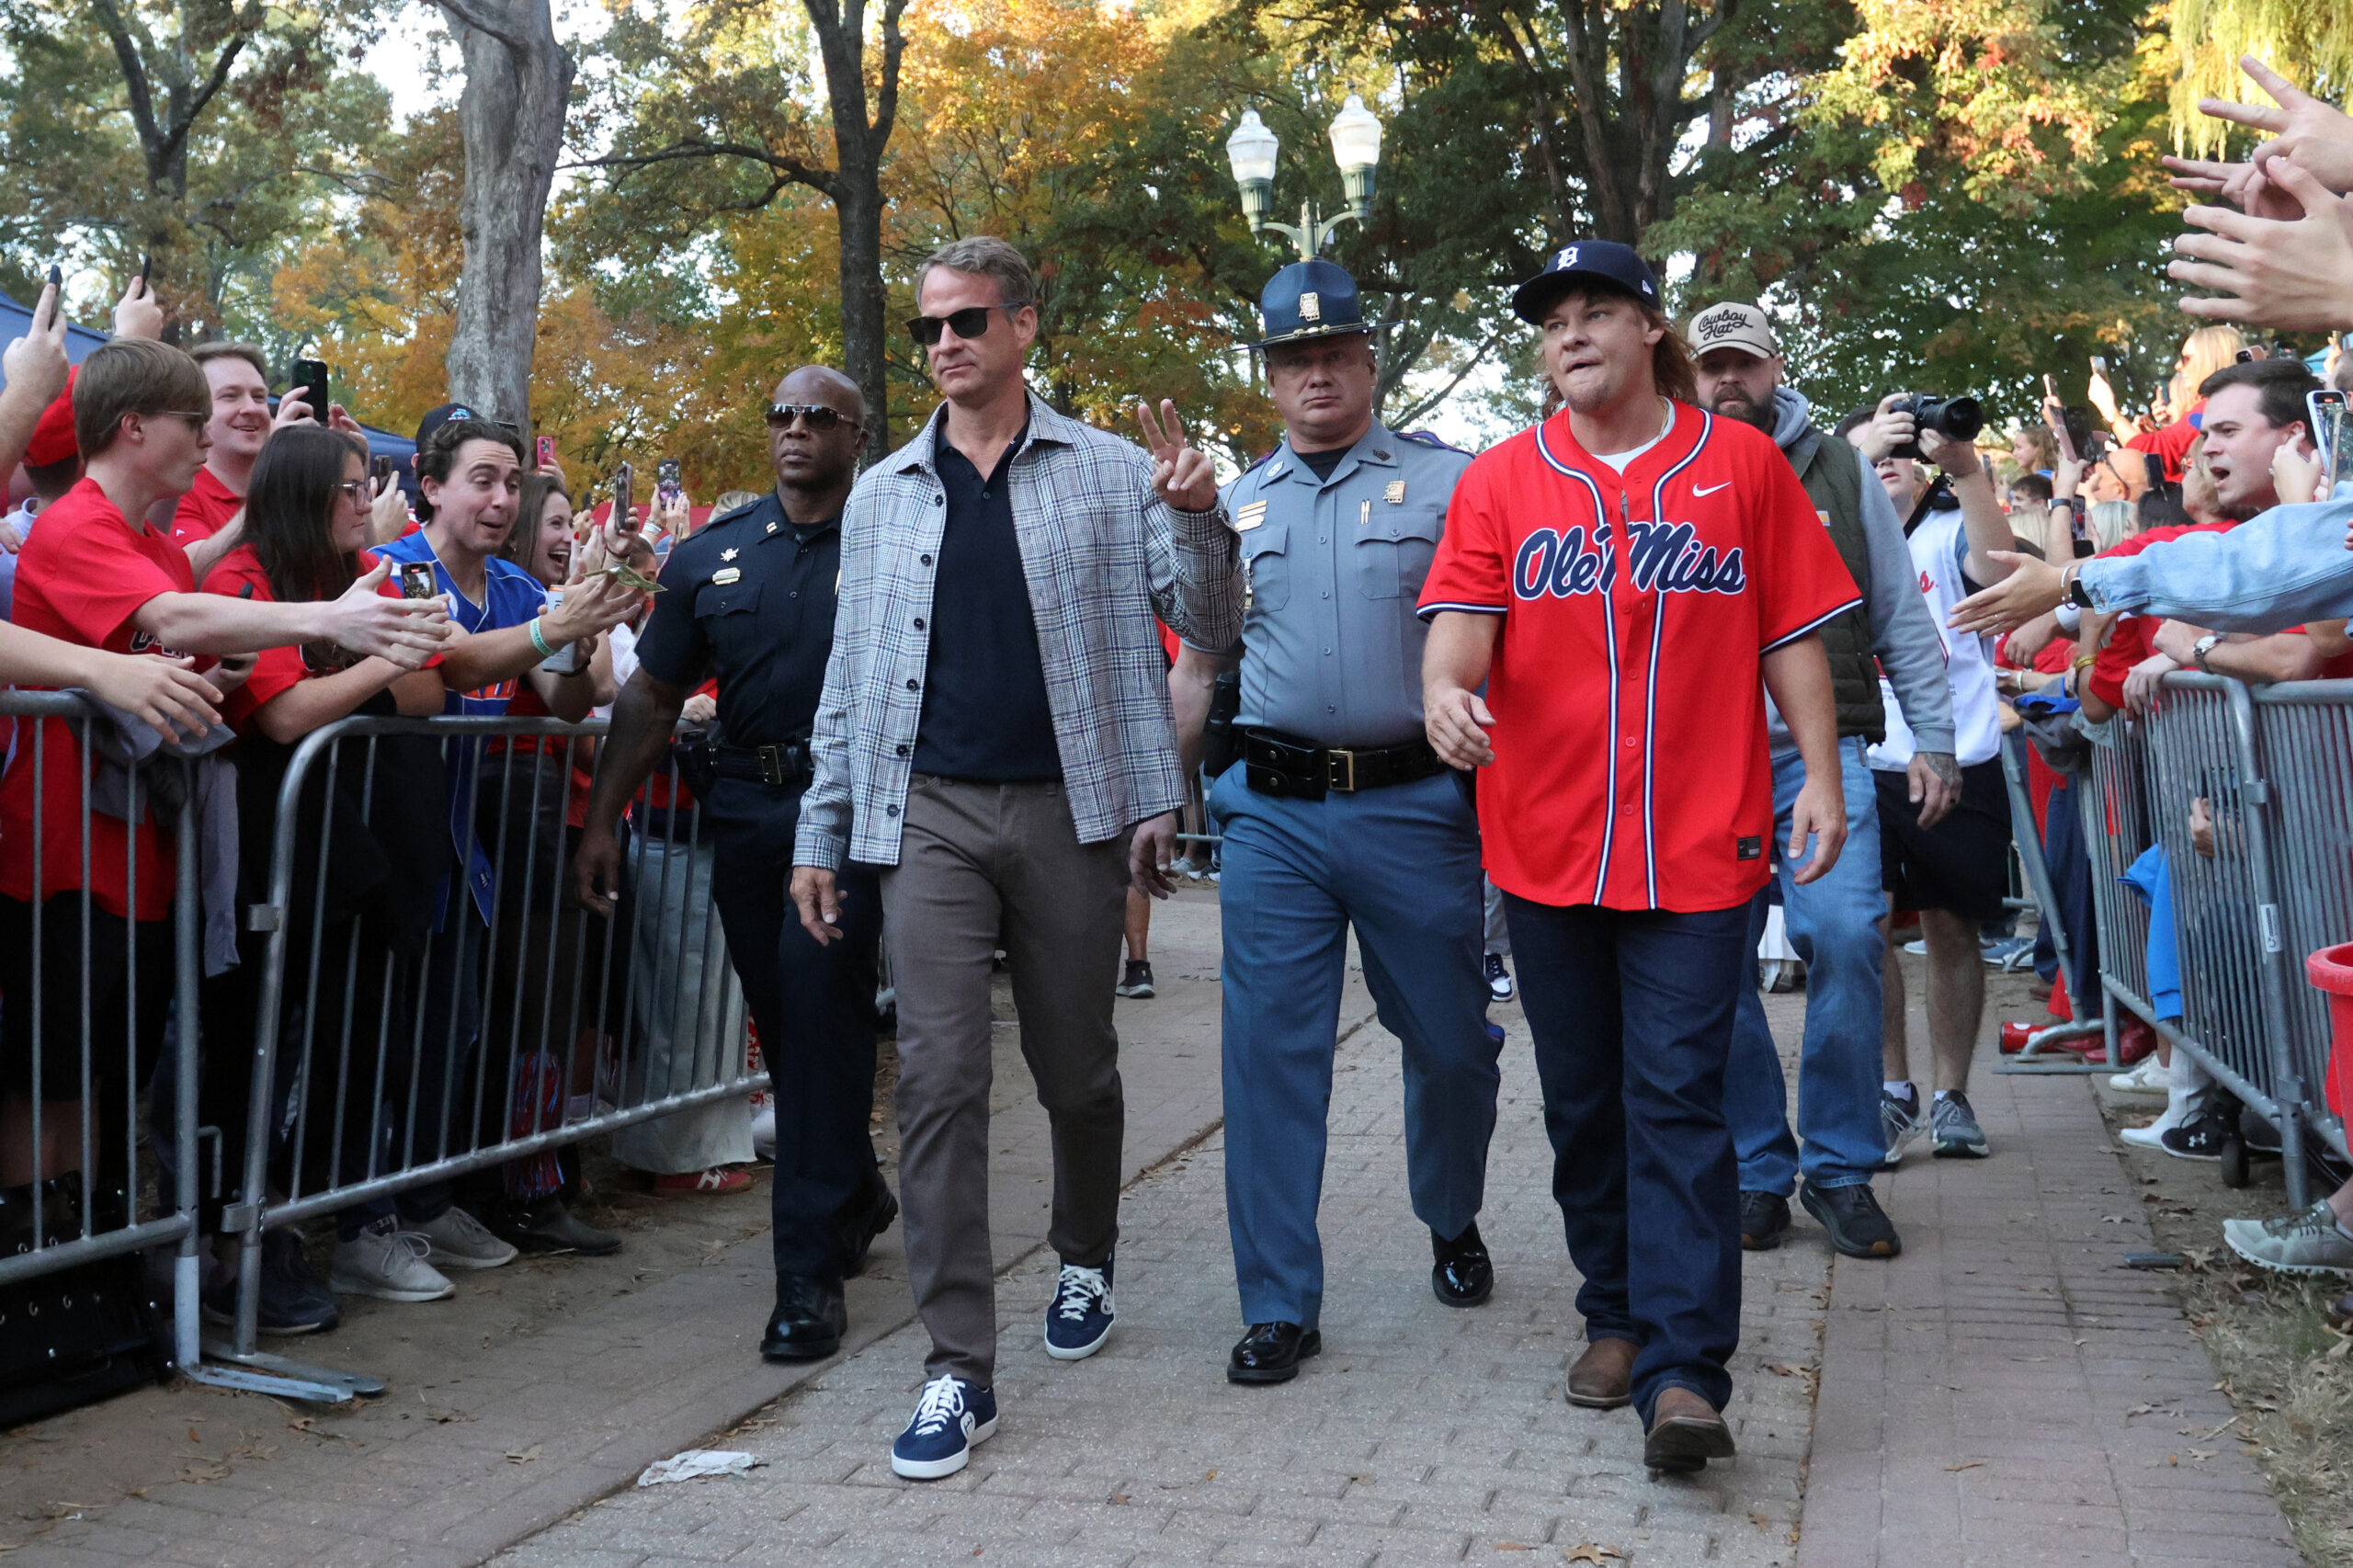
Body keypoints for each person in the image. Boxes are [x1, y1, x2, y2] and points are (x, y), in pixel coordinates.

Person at [790, 236, 1241, 1480]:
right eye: (930, 324)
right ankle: (957, 1365)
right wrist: (821, 830)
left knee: (1076, 1067)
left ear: (1024, 325)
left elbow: (1209, 627)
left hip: (1071, 809)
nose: (945, 342)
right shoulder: (883, 492)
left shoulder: (1109, 472)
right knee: (936, 1075)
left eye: (970, 319)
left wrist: (1200, 518)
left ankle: (1084, 1249)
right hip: (923, 812)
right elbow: (850, 678)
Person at [1418, 241, 1860, 1472]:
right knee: (1583, 1099)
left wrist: (1821, 774)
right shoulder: (1505, 478)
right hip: (1546, 840)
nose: (1571, 333)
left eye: (1597, 310)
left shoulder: (1742, 466)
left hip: (1700, 838)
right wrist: (1447, 695)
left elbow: (1792, 635)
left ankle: (1682, 1369)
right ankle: (1611, 1307)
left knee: (1677, 1094)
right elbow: (1457, 632)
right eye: (1553, 318)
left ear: (1648, 327)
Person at [0, 339, 443, 1242]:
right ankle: (32, 1272)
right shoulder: (78, 521)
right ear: (133, 428)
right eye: (193, 419)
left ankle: (91, 1268)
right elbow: (168, 619)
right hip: (61, 854)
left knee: (105, 1073)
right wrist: (326, 616)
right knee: (45, 1074)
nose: (209, 434)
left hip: (141, 856)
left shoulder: (158, 541)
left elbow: (178, 625)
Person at [1175, 258, 1498, 1389]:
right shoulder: (1233, 503)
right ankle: (1276, 1301)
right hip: (1272, 815)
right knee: (1267, 1061)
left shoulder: (1451, 484)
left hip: (1416, 806)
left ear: (1367, 362)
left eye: (1333, 353)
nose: (1314, 373)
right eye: (1291, 359)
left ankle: (1450, 1214)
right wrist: (1160, 794)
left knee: (1454, 1044)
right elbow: (1202, 653)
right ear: (1269, 377)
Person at [580, 364, 900, 1365]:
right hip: (747, 815)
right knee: (789, 1019)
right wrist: (601, 821)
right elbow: (650, 696)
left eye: (821, 417)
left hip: (847, 813)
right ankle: (854, 1186)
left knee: (816, 1020)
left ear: (857, 435)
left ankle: (804, 1280)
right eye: (782, 415)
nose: (797, 430)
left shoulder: (900, 543)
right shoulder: (712, 554)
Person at [1687, 301, 1957, 1260]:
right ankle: (1758, 1167)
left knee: (1845, 935)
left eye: (1744, 365)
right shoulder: (1665, 459)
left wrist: (1935, 740)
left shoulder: (1840, 470)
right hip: (1695, 755)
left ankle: (1839, 1167)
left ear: (1775, 367)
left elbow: (1897, 612)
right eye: (1711, 365)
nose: (1728, 382)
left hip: (1822, 746)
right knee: (1709, 959)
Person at [196, 423, 451, 1322]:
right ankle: (232, 1252)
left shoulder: (346, 576)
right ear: (304, 493)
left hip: (332, 846)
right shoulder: (248, 578)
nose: (364, 499)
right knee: (243, 1046)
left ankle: (282, 1230)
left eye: (366, 484)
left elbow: (428, 691)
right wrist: (385, 652)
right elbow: (283, 714)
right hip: (254, 845)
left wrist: (395, 641)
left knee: (310, 1043)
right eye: (347, 486)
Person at [371, 417, 642, 1265]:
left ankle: (434, 1196)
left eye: (511, 483)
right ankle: (367, 1221)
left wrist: (587, 622)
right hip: (393, 835)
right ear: (431, 486)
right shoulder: (399, 568)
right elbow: (453, 667)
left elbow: (565, 702)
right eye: (481, 480)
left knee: (457, 1027)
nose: (500, 500)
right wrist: (556, 633)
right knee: (388, 1031)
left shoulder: (517, 587)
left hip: (468, 844)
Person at [1842, 393, 2020, 1164]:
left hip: (1960, 758)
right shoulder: (1835, 534)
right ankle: (1891, 1091)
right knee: (1867, 929)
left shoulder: (1948, 530)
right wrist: (1853, 454)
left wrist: (1969, 470)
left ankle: (1952, 1095)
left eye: (1897, 454)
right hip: (1863, 757)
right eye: (1871, 453)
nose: (1886, 464)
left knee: (1951, 927)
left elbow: (2000, 568)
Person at [172, 343, 355, 580]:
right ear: (193, 410)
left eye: (259, 397)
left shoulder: (298, 488)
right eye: (230, 396)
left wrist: (352, 467)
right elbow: (193, 573)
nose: (250, 408)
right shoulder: (177, 488)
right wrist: (277, 464)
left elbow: (355, 564)